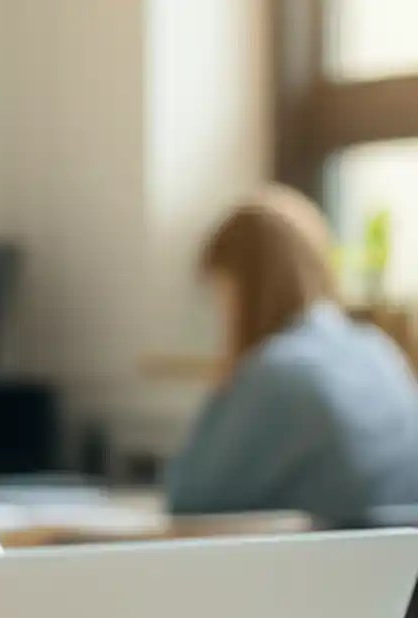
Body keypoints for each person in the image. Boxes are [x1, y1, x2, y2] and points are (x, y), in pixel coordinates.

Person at [165, 185, 418, 528]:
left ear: (244, 289)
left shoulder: (276, 373)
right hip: (392, 573)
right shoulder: (377, 349)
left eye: (220, 294)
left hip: (317, 569)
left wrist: (225, 384)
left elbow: (188, 499)